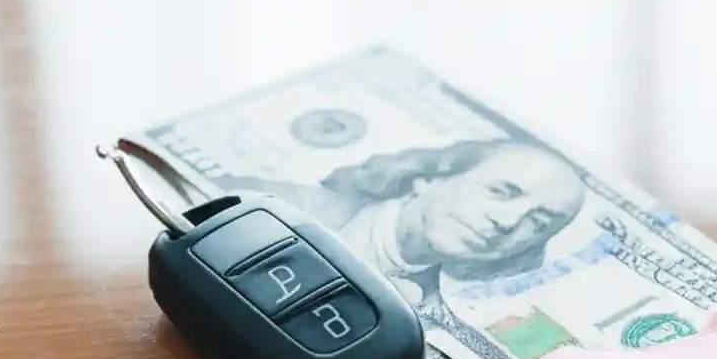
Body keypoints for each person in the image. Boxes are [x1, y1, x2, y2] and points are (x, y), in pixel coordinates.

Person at [219, 139, 585, 306]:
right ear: (433, 178)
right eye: (501, 192)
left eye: (537, 223)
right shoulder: (260, 203)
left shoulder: (429, 316)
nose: (507, 222)